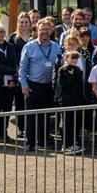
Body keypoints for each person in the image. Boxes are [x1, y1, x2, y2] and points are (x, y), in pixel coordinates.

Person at [19, 19, 63, 151]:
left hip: (49, 86)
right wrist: (24, 85)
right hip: (33, 85)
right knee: (31, 115)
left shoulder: (56, 47)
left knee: (45, 115)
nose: (44, 32)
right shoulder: (29, 46)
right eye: (41, 29)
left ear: (51, 31)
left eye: (47, 29)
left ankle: (43, 140)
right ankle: (30, 142)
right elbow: (22, 67)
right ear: (37, 31)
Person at [54, 51, 86, 154]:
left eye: (76, 58)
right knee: (67, 123)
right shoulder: (62, 70)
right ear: (66, 59)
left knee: (76, 122)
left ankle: (74, 143)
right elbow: (62, 85)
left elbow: (80, 84)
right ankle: (66, 144)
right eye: (72, 58)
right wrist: (70, 76)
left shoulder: (77, 70)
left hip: (77, 100)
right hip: (66, 100)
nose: (74, 60)